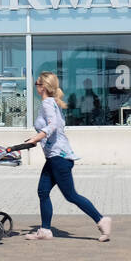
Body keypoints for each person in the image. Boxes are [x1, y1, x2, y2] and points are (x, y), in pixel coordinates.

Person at [23, 71, 112, 242]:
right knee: (43, 191)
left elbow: (53, 126)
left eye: (36, 84)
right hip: (54, 157)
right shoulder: (52, 103)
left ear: (42, 87)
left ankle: (101, 220)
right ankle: (45, 230)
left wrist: (36, 137)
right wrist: (37, 140)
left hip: (59, 158)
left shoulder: (48, 104)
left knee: (70, 195)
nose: (35, 87)